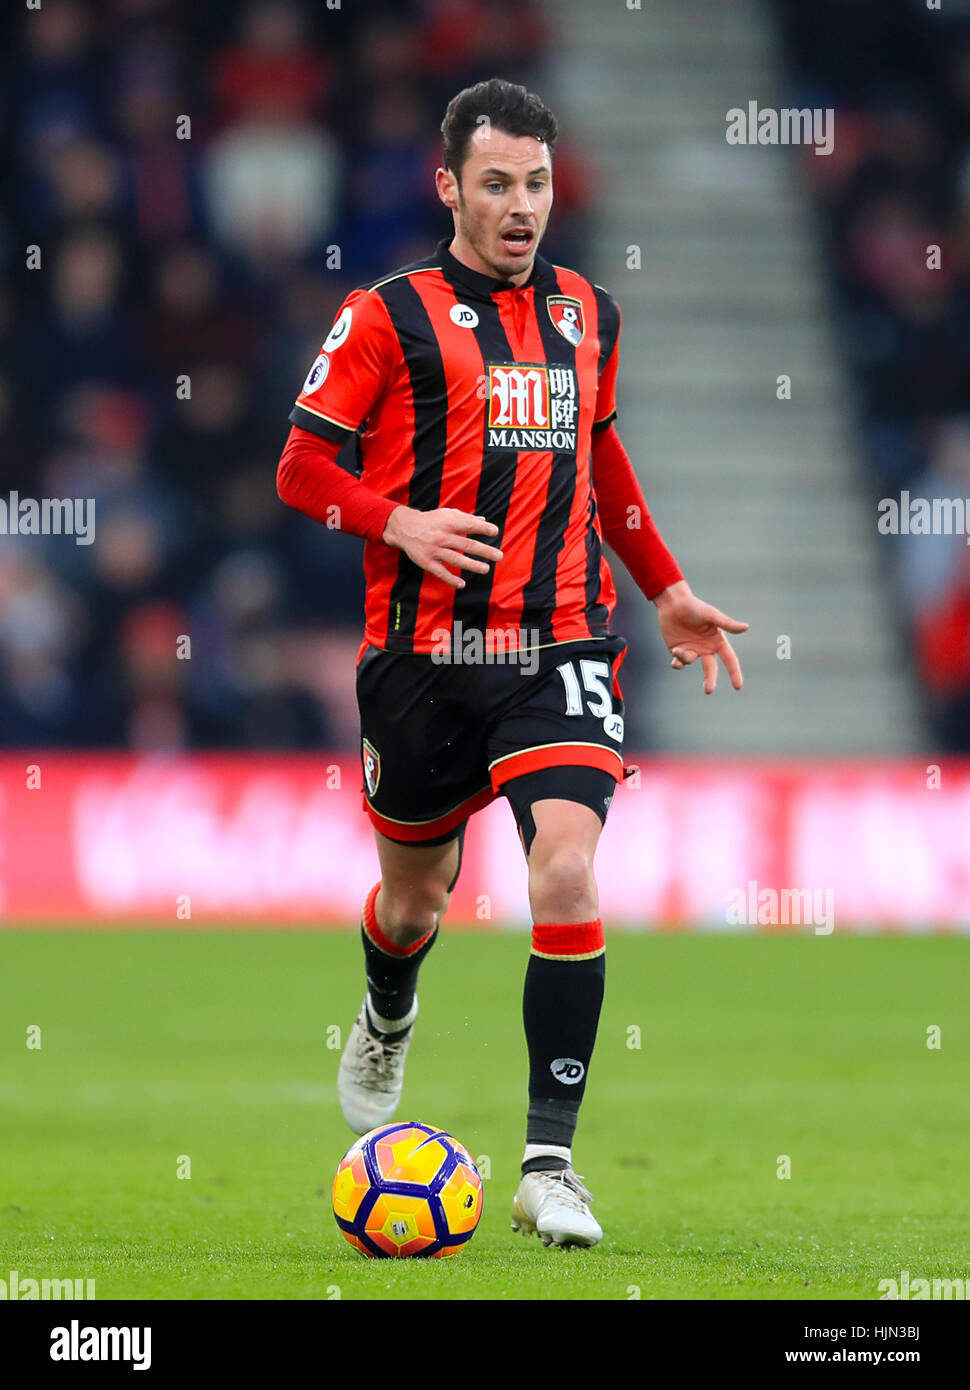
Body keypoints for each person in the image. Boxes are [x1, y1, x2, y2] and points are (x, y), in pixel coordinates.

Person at [276, 78, 748, 1248]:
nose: (520, 204)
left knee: (567, 875)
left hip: (559, 639)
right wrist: (396, 522)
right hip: (423, 654)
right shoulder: (387, 314)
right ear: (448, 186)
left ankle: (549, 1163)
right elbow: (298, 466)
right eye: (496, 182)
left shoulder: (590, 312)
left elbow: (601, 459)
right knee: (413, 897)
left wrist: (666, 588)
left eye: (535, 182)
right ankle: (390, 1006)